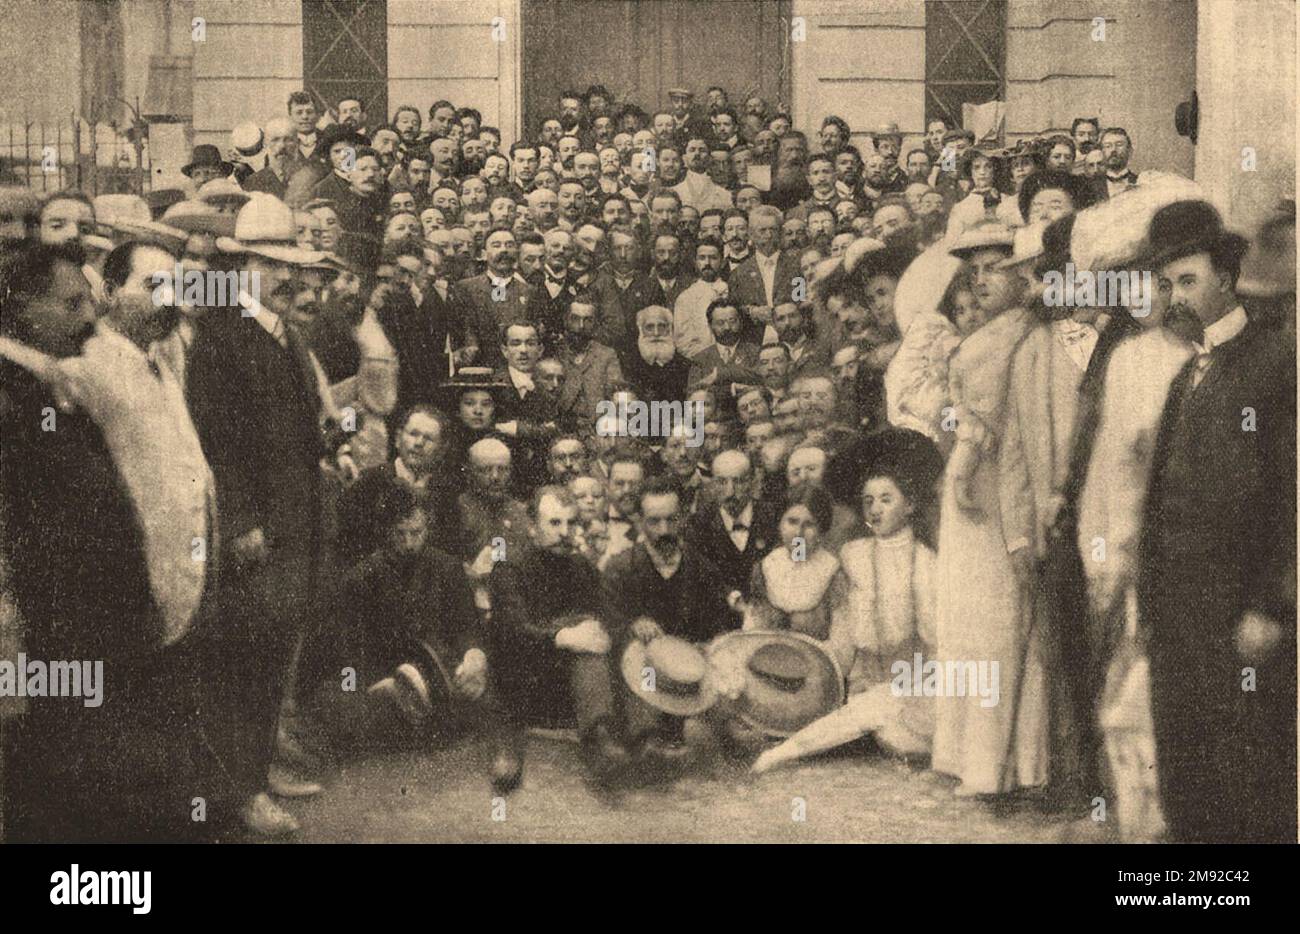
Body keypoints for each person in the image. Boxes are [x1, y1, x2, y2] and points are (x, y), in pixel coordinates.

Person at [0, 240, 215, 842]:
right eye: (72, 305)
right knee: (60, 792)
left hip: (97, 627)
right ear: (19, 308)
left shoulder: (48, 381)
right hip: (55, 636)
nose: (87, 318)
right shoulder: (23, 390)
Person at [1137, 200, 1295, 842]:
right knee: (1185, 765)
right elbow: (1158, 498)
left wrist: (1271, 605)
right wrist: (1147, 593)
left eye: (1189, 280)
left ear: (1228, 278)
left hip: (1240, 613)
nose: (1175, 295)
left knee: (1250, 770)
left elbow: (1290, 498)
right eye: (1168, 283)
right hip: (1179, 612)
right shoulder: (1188, 373)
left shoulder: (1275, 364)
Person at [930, 222, 1048, 798]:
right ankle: (964, 755)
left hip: (998, 489)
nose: (981, 280)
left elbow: (993, 418)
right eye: (973, 270)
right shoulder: (988, 330)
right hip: (972, 488)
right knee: (967, 624)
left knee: (997, 626)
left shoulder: (1020, 331)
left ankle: (997, 764)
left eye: (994, 267)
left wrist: (964, 461)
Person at [752, 462, 938, 773]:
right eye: (868, 501)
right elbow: (846, 629)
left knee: (893, 730)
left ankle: (783, 753)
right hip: (863, 682)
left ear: (909, 506)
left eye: (886, 500)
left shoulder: (928, 562)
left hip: (913, 681)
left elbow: (936, 644)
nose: (875, 509)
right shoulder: (854, 554)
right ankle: (788, 749)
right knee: (867, 717)